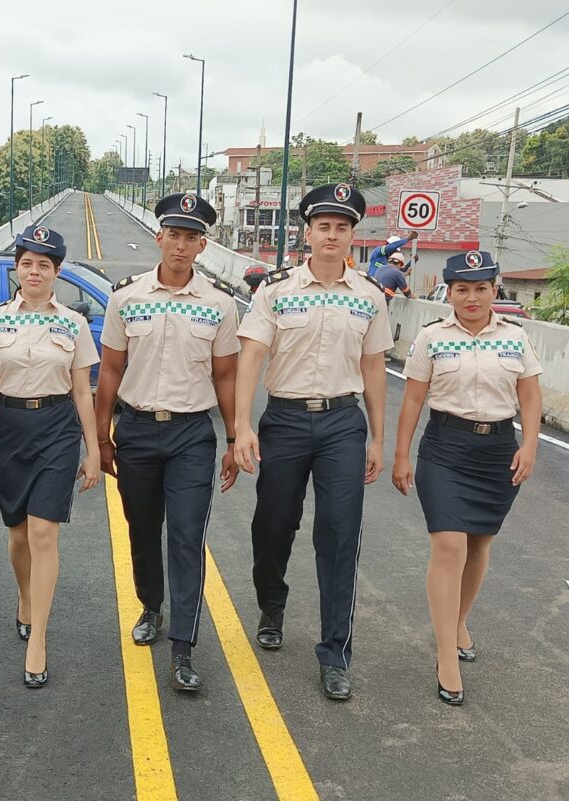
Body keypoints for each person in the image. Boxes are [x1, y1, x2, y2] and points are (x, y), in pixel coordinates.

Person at [233, 183, 393, 701]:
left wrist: (377, 437)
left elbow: (374, 367)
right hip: (285, 419)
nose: (332, 234)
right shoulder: (276, 290)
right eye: (323, 226)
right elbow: (252, 357)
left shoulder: (370, 296)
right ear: (308, 231)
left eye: (342, 227)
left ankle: (334, 652)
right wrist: (242, 425)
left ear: (353, 235)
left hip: (344, 423)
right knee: (273, 524)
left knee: (340, 533)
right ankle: (272, 604)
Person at [96, 193, 241, 693]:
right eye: (173, 235)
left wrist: (234, 437)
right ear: (159, 238)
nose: (181, 246)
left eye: (191, 238)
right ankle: (151, 607)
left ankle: (183, 647)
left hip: (190, 436)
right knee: (142, 528)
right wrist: (100, 437)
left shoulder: (219, 305)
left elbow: (226, 377)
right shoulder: (126, 297)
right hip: (135, 430)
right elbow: (111, 370)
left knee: (185, 535)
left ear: (204, 245)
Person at [392, 250, 541, 706]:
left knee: (479, 545)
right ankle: (446, 657)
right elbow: (414, 400)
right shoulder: (432, 338)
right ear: (449, 293)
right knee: (450, 544)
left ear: (495, 290)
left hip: (496, 451)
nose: (471, 298)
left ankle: (458, 621)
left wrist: (530, 445)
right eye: (462, 290)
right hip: (445, 449)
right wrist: (401, 455)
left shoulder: (516, 338)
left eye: (481, 288)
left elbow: (531, 396)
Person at [0, 225, 101, 689]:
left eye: (44, 265)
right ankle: (24, 598)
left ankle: (38, 639)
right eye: (27, 263)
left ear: (57, 272)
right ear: (17, 269)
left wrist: (94, 451)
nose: (35, 271)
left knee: (44, 532)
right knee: (20, 534)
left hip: (57, 428)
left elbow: (84, 391)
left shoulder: (74, 323)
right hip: (11, 430)